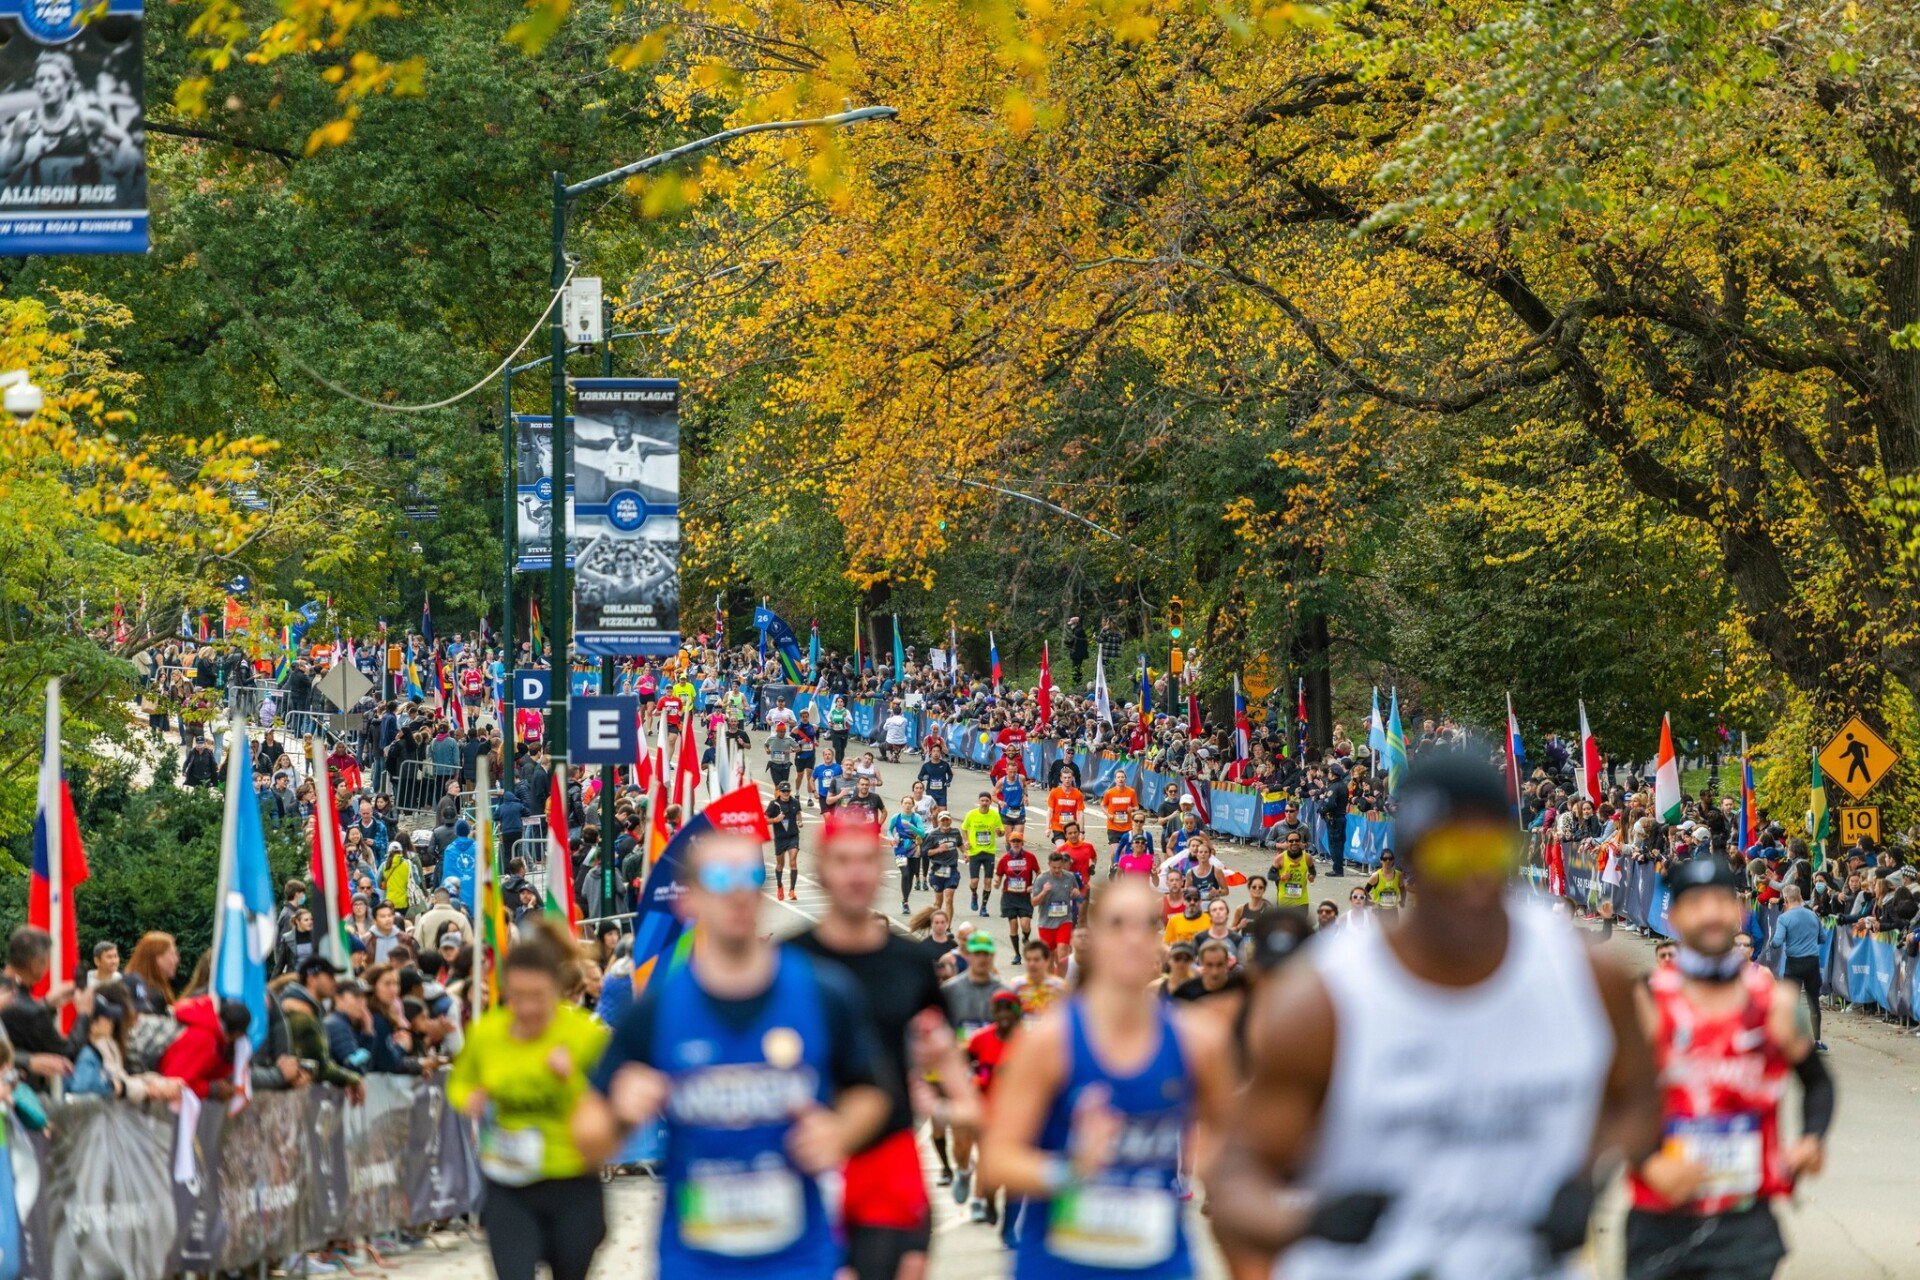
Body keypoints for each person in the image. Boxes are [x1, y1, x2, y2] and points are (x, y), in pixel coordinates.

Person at [1208, 752, 1661, 1280]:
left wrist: (1589, 1174)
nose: (1473, 879)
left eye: (1488, 853)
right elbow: (1235, 1179)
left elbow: (1640, 1097)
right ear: (1411, 866)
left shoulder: (1585, 979)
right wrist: (1310, 1222)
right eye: (1449, 857)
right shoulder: (1325, 1001)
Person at [573, 832, 891, 1280]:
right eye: (721, 878)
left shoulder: (823, 992)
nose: (738, 891)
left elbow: (871, 1093)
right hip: (695, 1262)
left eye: (751, 877)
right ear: (689, 899)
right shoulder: (656, 1010)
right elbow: (586, 1136)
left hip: (801, 1259)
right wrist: (621, 1116)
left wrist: (840, 1132)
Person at [977, 876, 1236, 1279]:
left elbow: (1236, 1151)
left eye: (1145, 924)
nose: (1132, 938)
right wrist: (1070, 1170)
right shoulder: (1049, 1042)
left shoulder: (1198, 1041)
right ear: (1094, 935)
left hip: (1158, 1264)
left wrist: (1213, 1163)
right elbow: (995, 1162)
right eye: (1117, 924)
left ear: (1159, 940)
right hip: (1059, 1266)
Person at [1622, 857, 1835, 1280]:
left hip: (1745, 1224)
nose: (1710, 914)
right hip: (1661, 1221)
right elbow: (1610, 1101)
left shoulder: (1772, 1001)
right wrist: (1648, 1163)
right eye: (1696, 903)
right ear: (1675, 916)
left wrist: (1811, 1138)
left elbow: (1818, 1082)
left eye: (1720, 901)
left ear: (1737, 910)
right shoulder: (1648, 1000)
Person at [790, 809, 981, 1280]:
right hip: (804, 1158)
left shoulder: (910, 965)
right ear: (821, 870)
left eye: (865, 861)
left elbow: (949, 1062)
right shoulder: (788, 961)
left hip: (888, 1159)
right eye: (842, 861)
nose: (855, 874)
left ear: (881, 869)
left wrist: (947, 1098)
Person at [449, 918, 610, 1280]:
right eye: (517, 996)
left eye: (538, 996)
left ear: (557, 988)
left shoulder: (584, 1034)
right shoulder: (487, 1034)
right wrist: (469, 1097)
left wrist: (573, 1079)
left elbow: (611, 1104)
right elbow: (459, 1082)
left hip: (571, 1178)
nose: (527, 1008)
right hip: (509, 1184)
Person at [1772, 884, 1825, 1052]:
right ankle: (1817, 1041)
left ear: (1785, 899)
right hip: (1812, 962)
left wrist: (1775, 941)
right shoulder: (1813, 915)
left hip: (1794, 963)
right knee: (1813, 1002)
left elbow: (1776, 942)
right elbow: (1823, 938)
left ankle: (1792, 1041)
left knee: (1790, 1003)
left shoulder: (1784, 918)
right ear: (1800, 896)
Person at [997, 831, 1041, 961]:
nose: (1016, 843)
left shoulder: (1030, 857)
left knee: (1025, 924)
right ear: (1009, 843)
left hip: (1024, 896)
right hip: (1009, 897)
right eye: (1013, 841)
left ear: (1022, 843)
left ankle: (1026, 937)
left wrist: (1034, 885)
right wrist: (996, 882)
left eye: (1018, 841)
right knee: (1013, 925)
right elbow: (999, 874)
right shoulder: (1005, 858)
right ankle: (1017, 954)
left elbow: (1039, 872)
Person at [962, 791, 1007, 916]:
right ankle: (974, 894)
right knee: (974, 881)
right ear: (979, 801)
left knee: (988, 881)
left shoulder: (994, 815)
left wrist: (999, 832)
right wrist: (966, 842)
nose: (984, 803)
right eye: (982, 800)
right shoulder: (971, 814)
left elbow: (1002, 832)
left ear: (990, 802)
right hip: (975, 851)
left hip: (989, 851)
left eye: (987, 801)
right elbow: (964, 829)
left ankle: (983, 907)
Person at [767, 779, 803, 901]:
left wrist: (799, 821)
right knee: (780, 865)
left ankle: (792, 890)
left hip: (793, 836)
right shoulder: (774, 804)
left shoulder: (795, 802)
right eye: (783, 791)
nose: (786, 793)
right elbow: (764, 819)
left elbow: (798, 812)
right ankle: (779, 886)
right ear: (779, 792)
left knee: (793, 861)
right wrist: (775, 820)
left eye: (788, 791)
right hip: (780, 838)